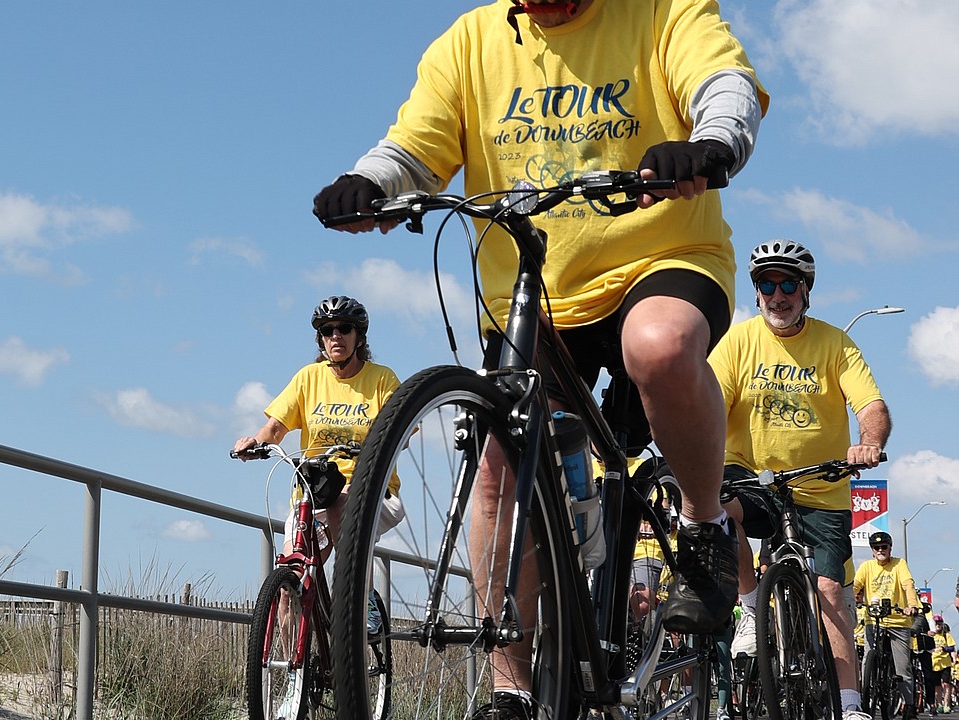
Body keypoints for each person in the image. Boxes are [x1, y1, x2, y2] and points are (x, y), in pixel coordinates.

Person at [313, 3, 768, 715]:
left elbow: (723, 79)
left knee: (660, 346)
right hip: (533, 287)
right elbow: (419, 141)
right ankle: (511, 689)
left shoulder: (659, 10)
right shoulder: (473, 39)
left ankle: (705, 525)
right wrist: (371, 182)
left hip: (663, 256)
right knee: (496, 468)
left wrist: (711, 143)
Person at [709, 240, 892, 720]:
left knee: (831, 592)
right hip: (754, 475)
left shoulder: (835, 343)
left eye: (788, 283)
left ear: (806, 290)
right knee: (718, 507)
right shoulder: (738, 340)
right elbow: (711, 402)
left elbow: (871, 406)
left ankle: (848, 705)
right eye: (766, 284)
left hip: (821, 486)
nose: (777, 294)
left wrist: (867, 441)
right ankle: (751, 607)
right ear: (756, 293)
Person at [232, 295, 405, 634]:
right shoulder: (308, 378)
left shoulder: (382, 379)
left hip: (372, 493)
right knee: (288, 586)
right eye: (327, 331)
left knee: (342, 501)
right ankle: (293, 679)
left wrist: (375, 451)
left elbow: (402, 429)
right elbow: (276, 428)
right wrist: (256, 441)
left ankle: (362, 596)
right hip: (313, 494)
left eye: (344, 329)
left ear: (360, 337)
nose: (335, 336)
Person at [852, 533, 921, 718]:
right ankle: (867, 694)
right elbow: (856, 585)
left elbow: (908, 585)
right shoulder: (866, 567)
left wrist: (912, 605)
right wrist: (853, 597)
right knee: (868, 658)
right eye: (877, 548)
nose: (880, 550)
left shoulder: (899, 564)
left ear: (890, 547)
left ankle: (909, 705)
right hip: (874, 620)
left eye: (884, 547)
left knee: (902, 667)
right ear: (872, 550)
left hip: (898, 621)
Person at [927, 616, 957, 715]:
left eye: (940, 623)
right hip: (934, 663)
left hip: (945, 663)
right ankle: (939, 704)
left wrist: (944, 649)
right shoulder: (931, 636)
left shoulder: (946, 635)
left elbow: (952, 647)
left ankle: (946, 705)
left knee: (946, 684)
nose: (938, 626)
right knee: (937, 686)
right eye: (937, 624)